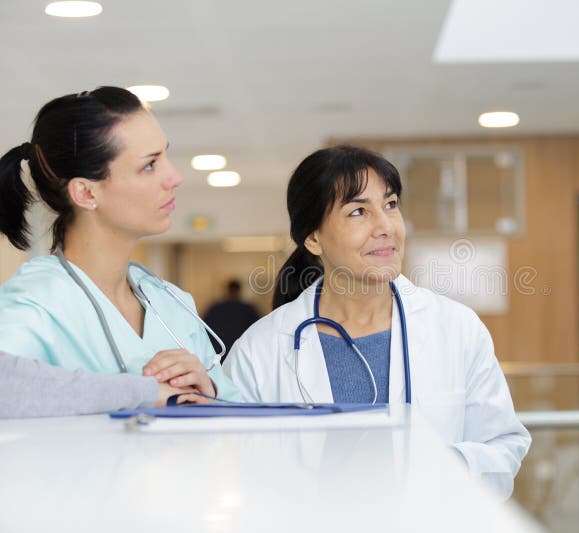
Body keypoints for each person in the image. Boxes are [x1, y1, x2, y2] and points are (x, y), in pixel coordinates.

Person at [223, 145, 530, 498]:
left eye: (391, 205)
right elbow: (233, 468)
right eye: (358, 212)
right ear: (313, 238)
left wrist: (435, 464)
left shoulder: (456, 328)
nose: (385, 226)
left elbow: (503, 448)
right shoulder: (261, 348)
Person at [0, 87, 239, 401]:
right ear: (86, 193)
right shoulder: (38, 298)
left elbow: (236, 412)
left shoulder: (170, 302)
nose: (175, 177)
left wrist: (210, 389)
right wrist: (140, 392)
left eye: (165, 155)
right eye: (149, 165)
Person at [0, 351, 205, 418]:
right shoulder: (25, 300)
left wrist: (209, 391)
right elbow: (13, 387)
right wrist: (147, 391)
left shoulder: (162, 293)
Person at [203, 279, 260, 361]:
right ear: (239, 291)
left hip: (219, 353)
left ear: (227, 291)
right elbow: (256, 331)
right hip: (240, 353)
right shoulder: (248, 310)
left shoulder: (215, 309)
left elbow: (205, 330)